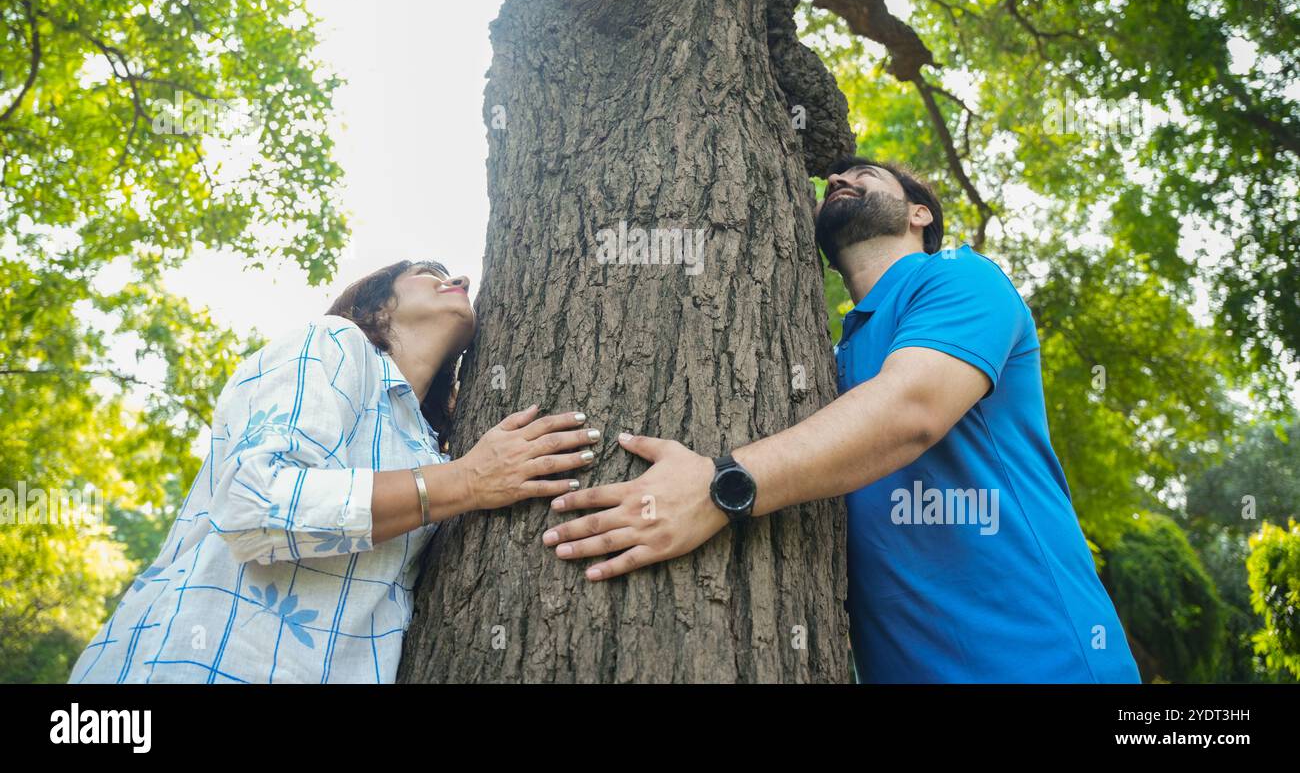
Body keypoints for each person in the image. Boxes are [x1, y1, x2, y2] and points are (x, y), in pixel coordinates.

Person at [542, 158, 1141, 683]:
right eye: (832, 178)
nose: (836, 178)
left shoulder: (959, 276)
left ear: (919, 216)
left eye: (864, 174)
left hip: (1042, 662)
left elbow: (912, 410)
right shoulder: (824, 361)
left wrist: (718, 487)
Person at [70, 259, 601, 683]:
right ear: (376, 302)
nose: (458, 279)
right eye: (428, 274)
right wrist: (465, 482)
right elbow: (256, 505)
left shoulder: (434, 448)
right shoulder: (332, 343)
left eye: (453, 275)